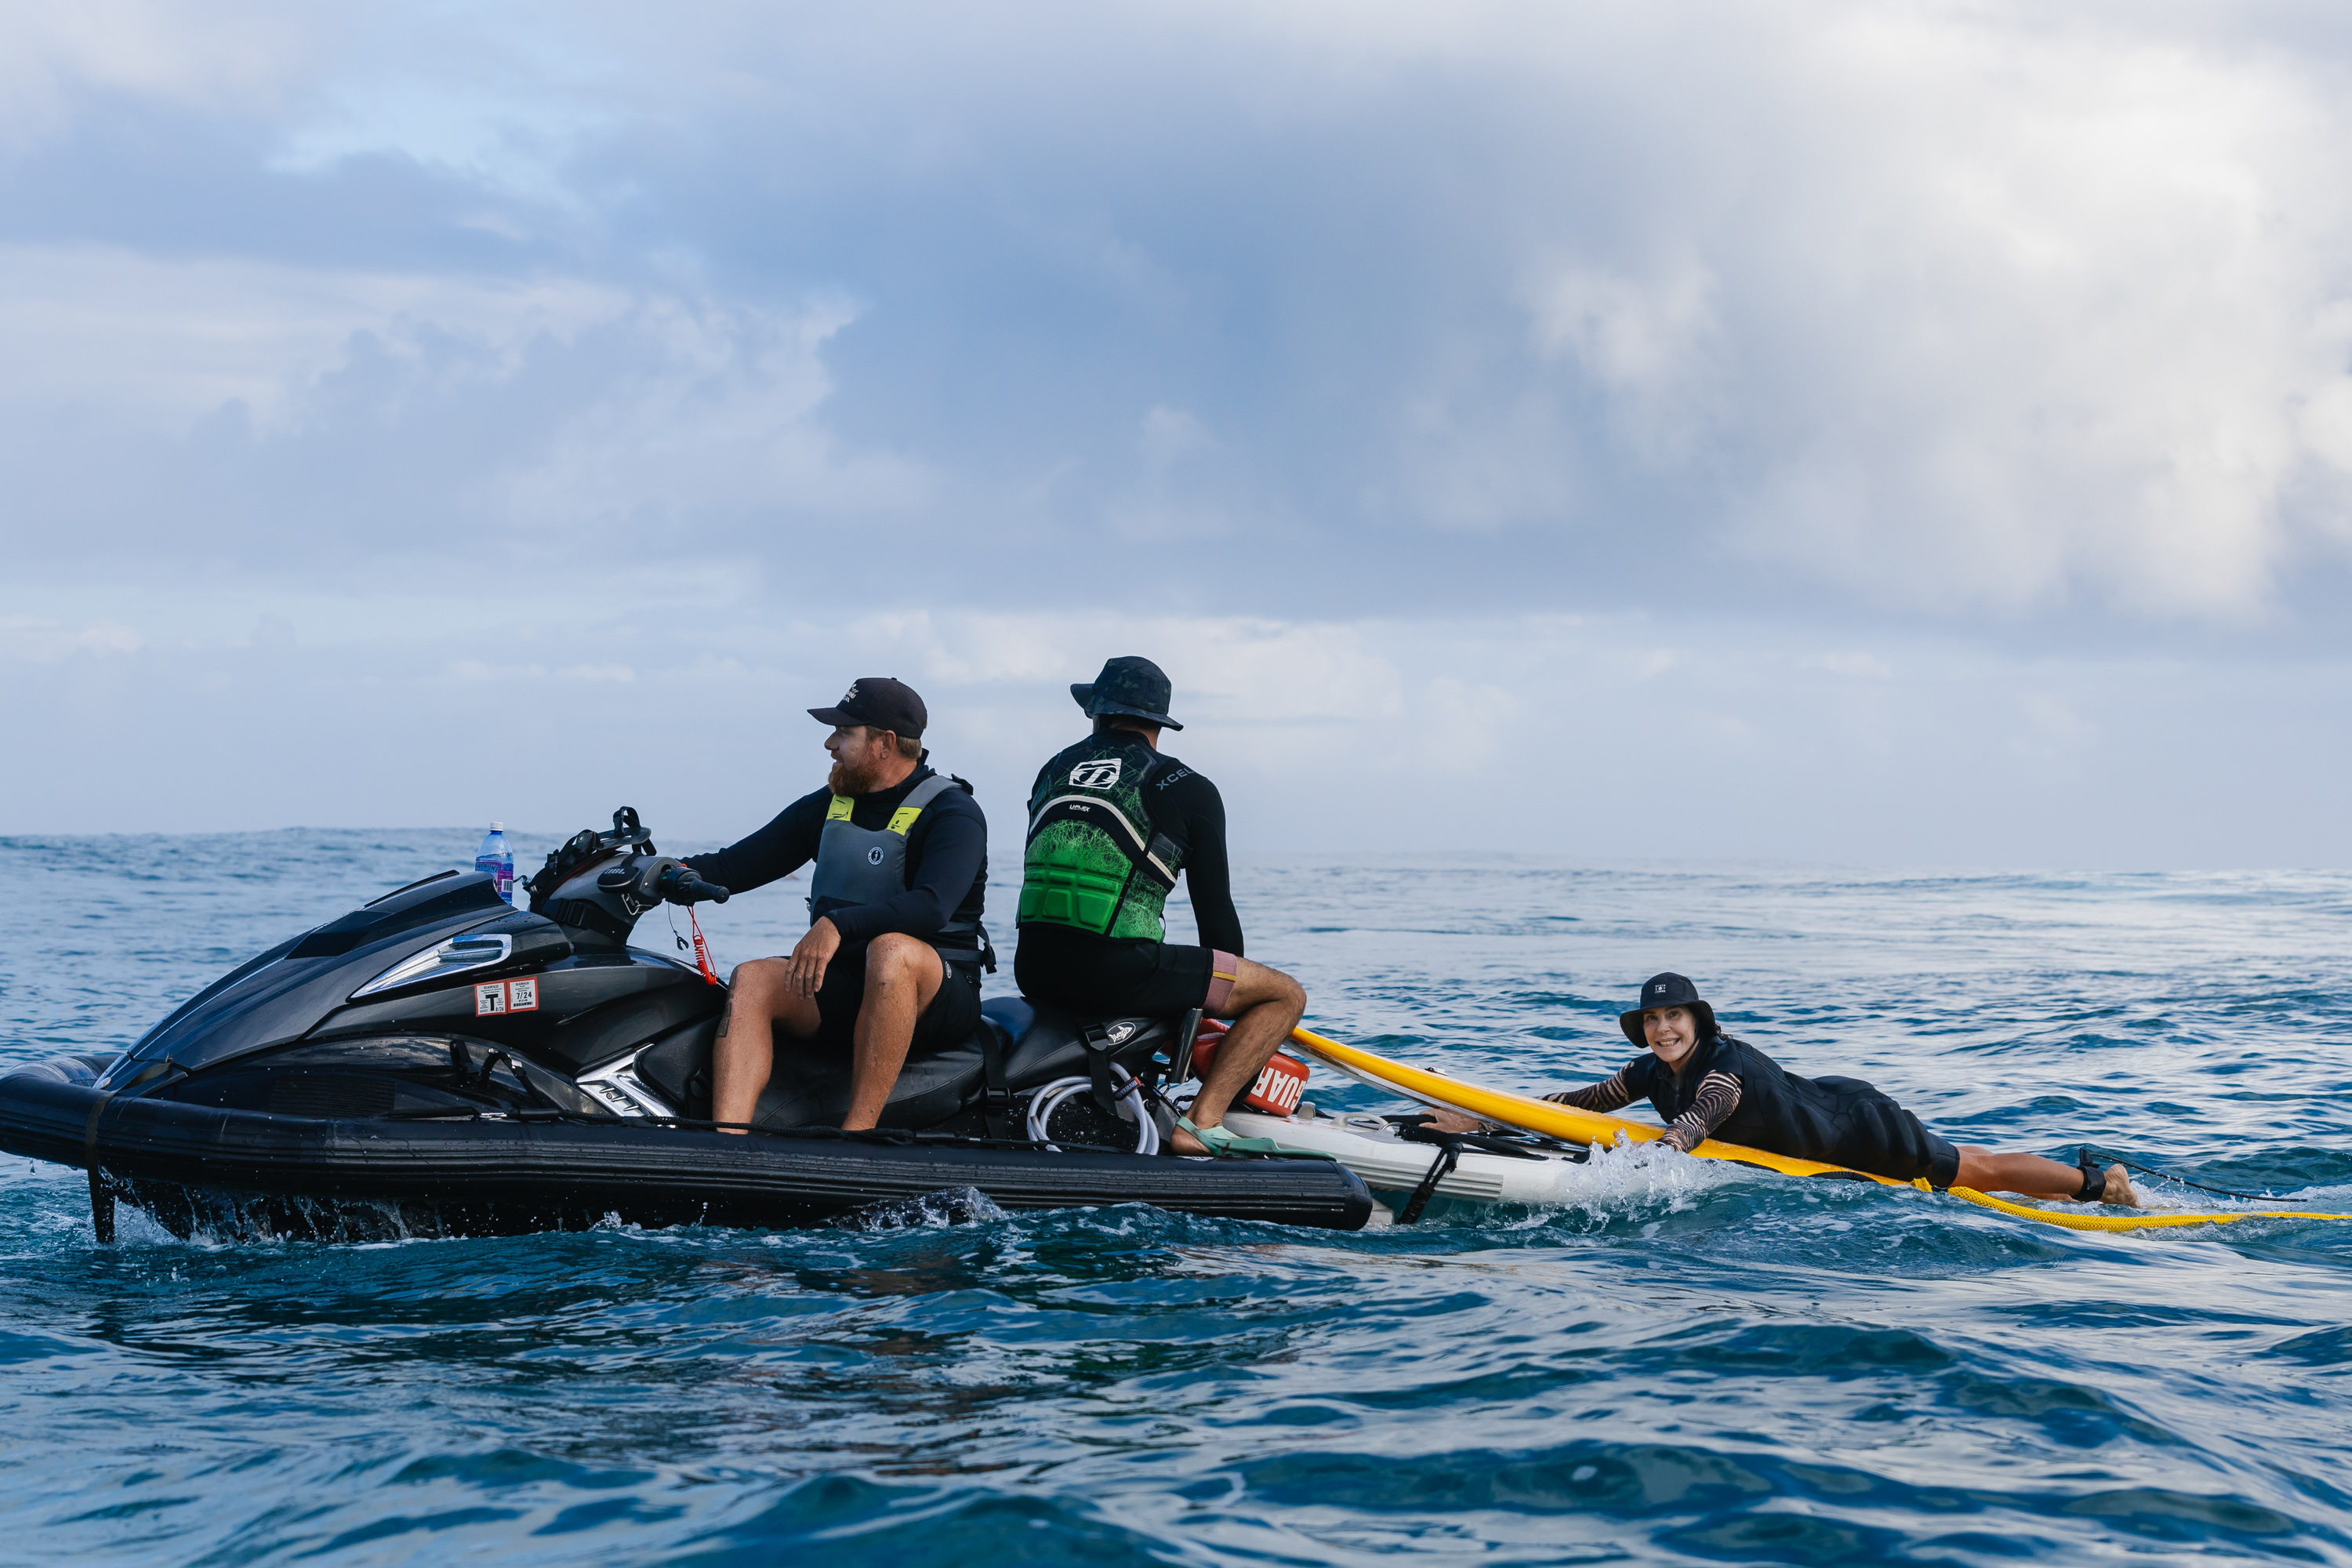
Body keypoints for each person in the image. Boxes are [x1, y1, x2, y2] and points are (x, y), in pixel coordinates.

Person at [1438, 972, 2139, 1206]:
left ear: (1695, 1020)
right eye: (1651, 1020)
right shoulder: (1650, 1071)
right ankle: (2080, 1178)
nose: (1660, 1029)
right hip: (1821, 1109)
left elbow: (1706, 1115)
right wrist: (1475, 1116)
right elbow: (1581, 1103)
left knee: (1971, 1174)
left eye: (1672, 1017)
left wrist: (1660, 1156)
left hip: (1857, 1126)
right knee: (1967, 1159)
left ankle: (2096, 1185)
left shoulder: (1725, 1064)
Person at [1014, 655, 1316, 1158]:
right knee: (1284, 995)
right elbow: (1215, 913)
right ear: (1158, 723)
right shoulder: (1188, 787)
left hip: (1036, 970)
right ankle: (1202, 1122)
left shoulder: (1053, 770)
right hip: (1119, 974)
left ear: (1096, 713)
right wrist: (1217, 1009)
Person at [684, 677, 989, 1132]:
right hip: (848, 986)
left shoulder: (952, 812)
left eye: (844, 733)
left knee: (891, 952)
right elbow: (732, 867)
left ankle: (856, 1138)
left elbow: (932, 908)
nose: (829, 743)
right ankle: (728, 1143)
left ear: (885, 744)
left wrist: (836, 925)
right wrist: (656, 871)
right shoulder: (830, 805)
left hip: (936, 995)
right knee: (752, 978)